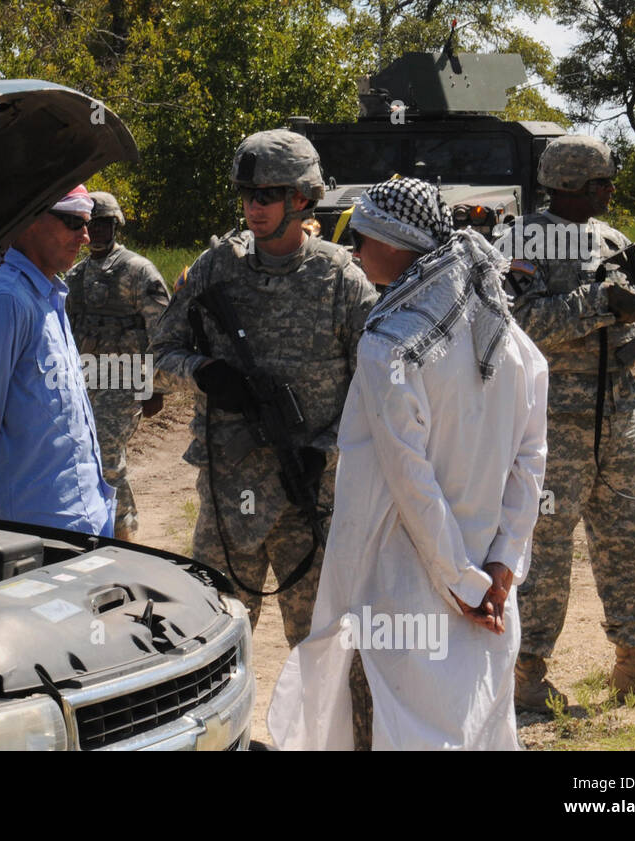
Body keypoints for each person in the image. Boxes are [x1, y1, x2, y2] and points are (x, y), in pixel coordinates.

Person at [267, 177, 549, 750]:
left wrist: (463, 585)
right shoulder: (512, 342)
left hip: (405, 586)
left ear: (395, 243)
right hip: (489, 593)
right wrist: (501, 569)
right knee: (477, 728)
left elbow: (410, 484)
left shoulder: (390, 344)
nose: (353, 248)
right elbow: (530, 464)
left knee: (411, 731)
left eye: (361, 233)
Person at [148, 129, 378, 647]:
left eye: (267, 195)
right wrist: (204, 372)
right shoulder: (214, 270)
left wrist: (329, 451)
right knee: (209, 637)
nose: (253, 206)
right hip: (228, 494)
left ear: (301, 198)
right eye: (247, 195)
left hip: (309, 496)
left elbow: (377, 387)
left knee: (322, 643)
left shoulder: (341, 279)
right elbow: (159, 358)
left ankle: (323, 733)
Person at [497, 135, 635, 710]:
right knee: (545, 553)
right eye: (602, 183)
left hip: (619, 418)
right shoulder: (521, 241)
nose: (610, 191)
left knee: (628, 540)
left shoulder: (615, 242)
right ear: (571, 185)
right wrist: (600, 302)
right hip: (550, 427)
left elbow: (620, 341)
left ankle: (631, 664)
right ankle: (528, 677)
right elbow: (518, 322)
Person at [0, 185, 115, 536]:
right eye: (72, 221)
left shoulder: (48, 294)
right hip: (31, 532)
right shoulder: (6, 301)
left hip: (81, 521)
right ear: (29, 219)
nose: (85, 236)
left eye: (87, 222)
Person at [63, 191, 171, 541]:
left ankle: (123, 534)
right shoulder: (74, 275)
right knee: (84, 458)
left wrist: (155, 387)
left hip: (124, 379)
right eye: (90, 224)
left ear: (116, 225)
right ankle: (98, 528)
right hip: (82, 381)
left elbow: (162, 329)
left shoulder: (138, 271)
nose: (96, 231)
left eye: (103, 224)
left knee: (108, 458)